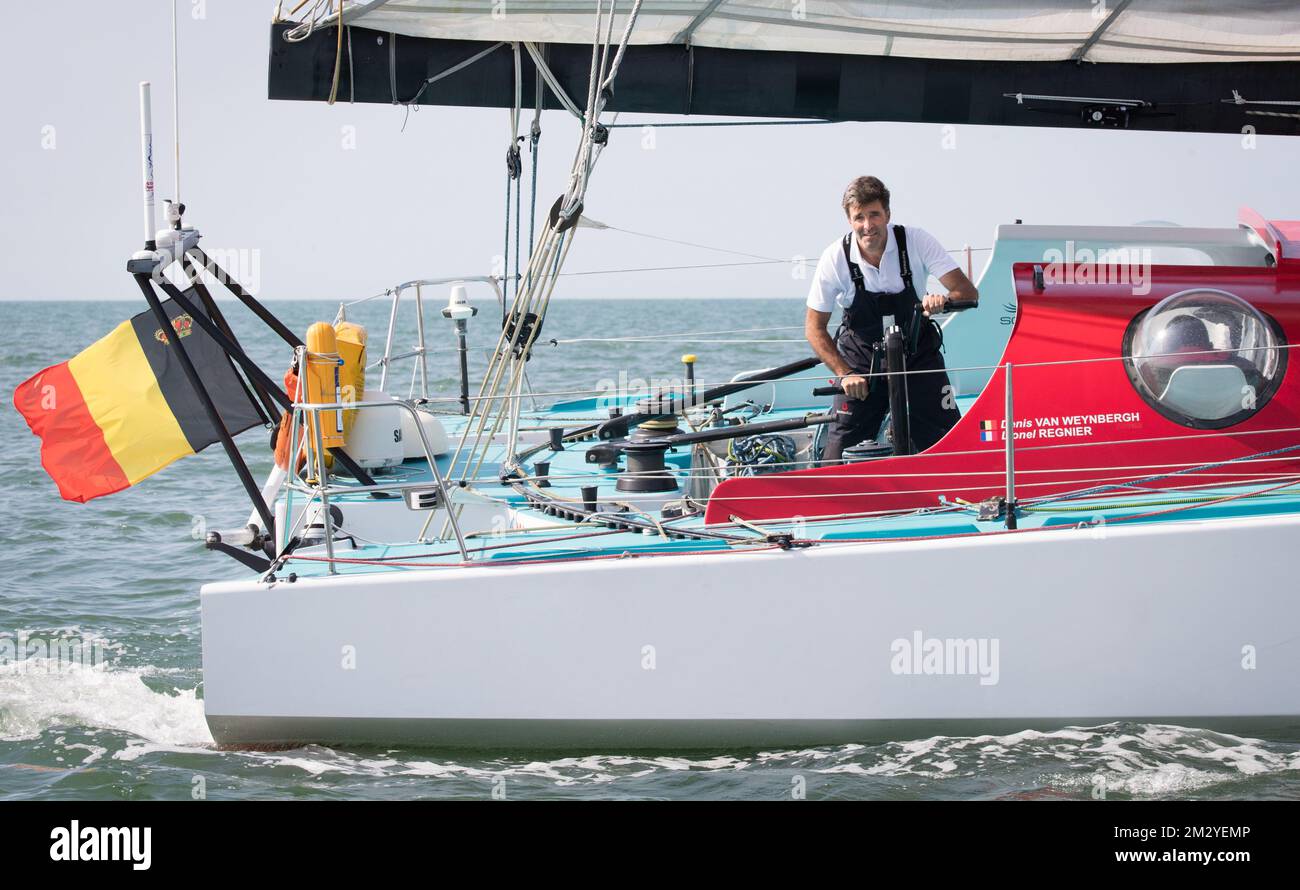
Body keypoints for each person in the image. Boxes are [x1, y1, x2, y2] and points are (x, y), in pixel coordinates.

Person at [805, 176, 978, 461]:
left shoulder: (916, 240)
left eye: (874, 214)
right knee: (838, 452)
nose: (867, 225)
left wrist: (942, 301)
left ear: (887, 214)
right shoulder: (834, 257)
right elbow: (814, 328)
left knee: (948, 439)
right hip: (861, 363)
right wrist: (845, 374)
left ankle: (956, 490)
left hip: (918, 354)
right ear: (849, 220)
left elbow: (967, 292)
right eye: (858, 217)